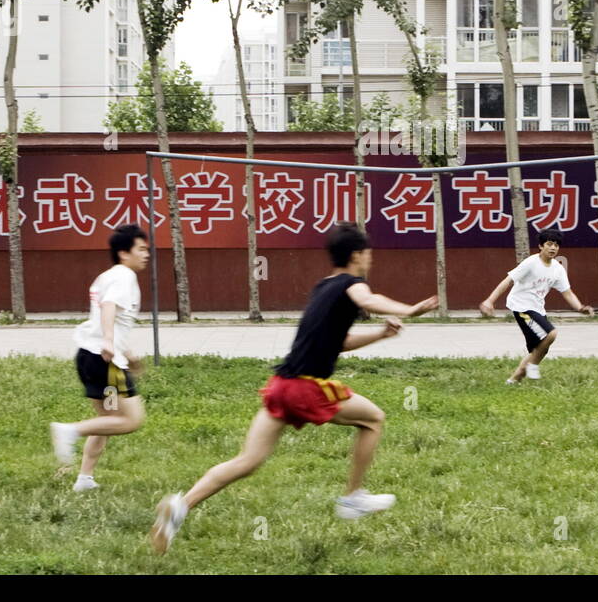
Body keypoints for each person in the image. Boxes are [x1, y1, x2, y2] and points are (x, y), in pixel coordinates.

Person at [150, 222, 438, 555]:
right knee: (373, 419)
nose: (369, 259)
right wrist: (409, 309)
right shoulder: (352, 284)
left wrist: (379, 335)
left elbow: (337, 343)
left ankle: (179, 508)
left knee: (247, 460)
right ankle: (352, 498)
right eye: (368, 253)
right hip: (306, 388)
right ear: (357, 255)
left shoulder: (323, 287)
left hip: (280, 386)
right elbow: (368, 298)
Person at [50, 224, 150, 492]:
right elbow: (108, 308)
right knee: (131, 420)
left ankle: (84, 479)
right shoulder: (124, 277)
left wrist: (128, 353)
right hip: (105, 359)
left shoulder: (107, 276)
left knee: (106, 420)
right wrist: (109, 343)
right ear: (123, 253)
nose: (146, 255)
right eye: (140, 249)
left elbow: (112, 318)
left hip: (89, 355)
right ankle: (68, 430)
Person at [479, 228, 593, 385]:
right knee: (550, 334)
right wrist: (489, 300)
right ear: (541, 246)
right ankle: (532, 366)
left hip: (538, 309)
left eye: (556, 245)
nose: (553, 248)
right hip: (521, 307)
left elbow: (567, 293)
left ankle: (513, 380)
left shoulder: (558, 269)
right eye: (549, 244)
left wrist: (580, 308)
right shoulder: (530, 263)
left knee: (539, 349)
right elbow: (508, 280)